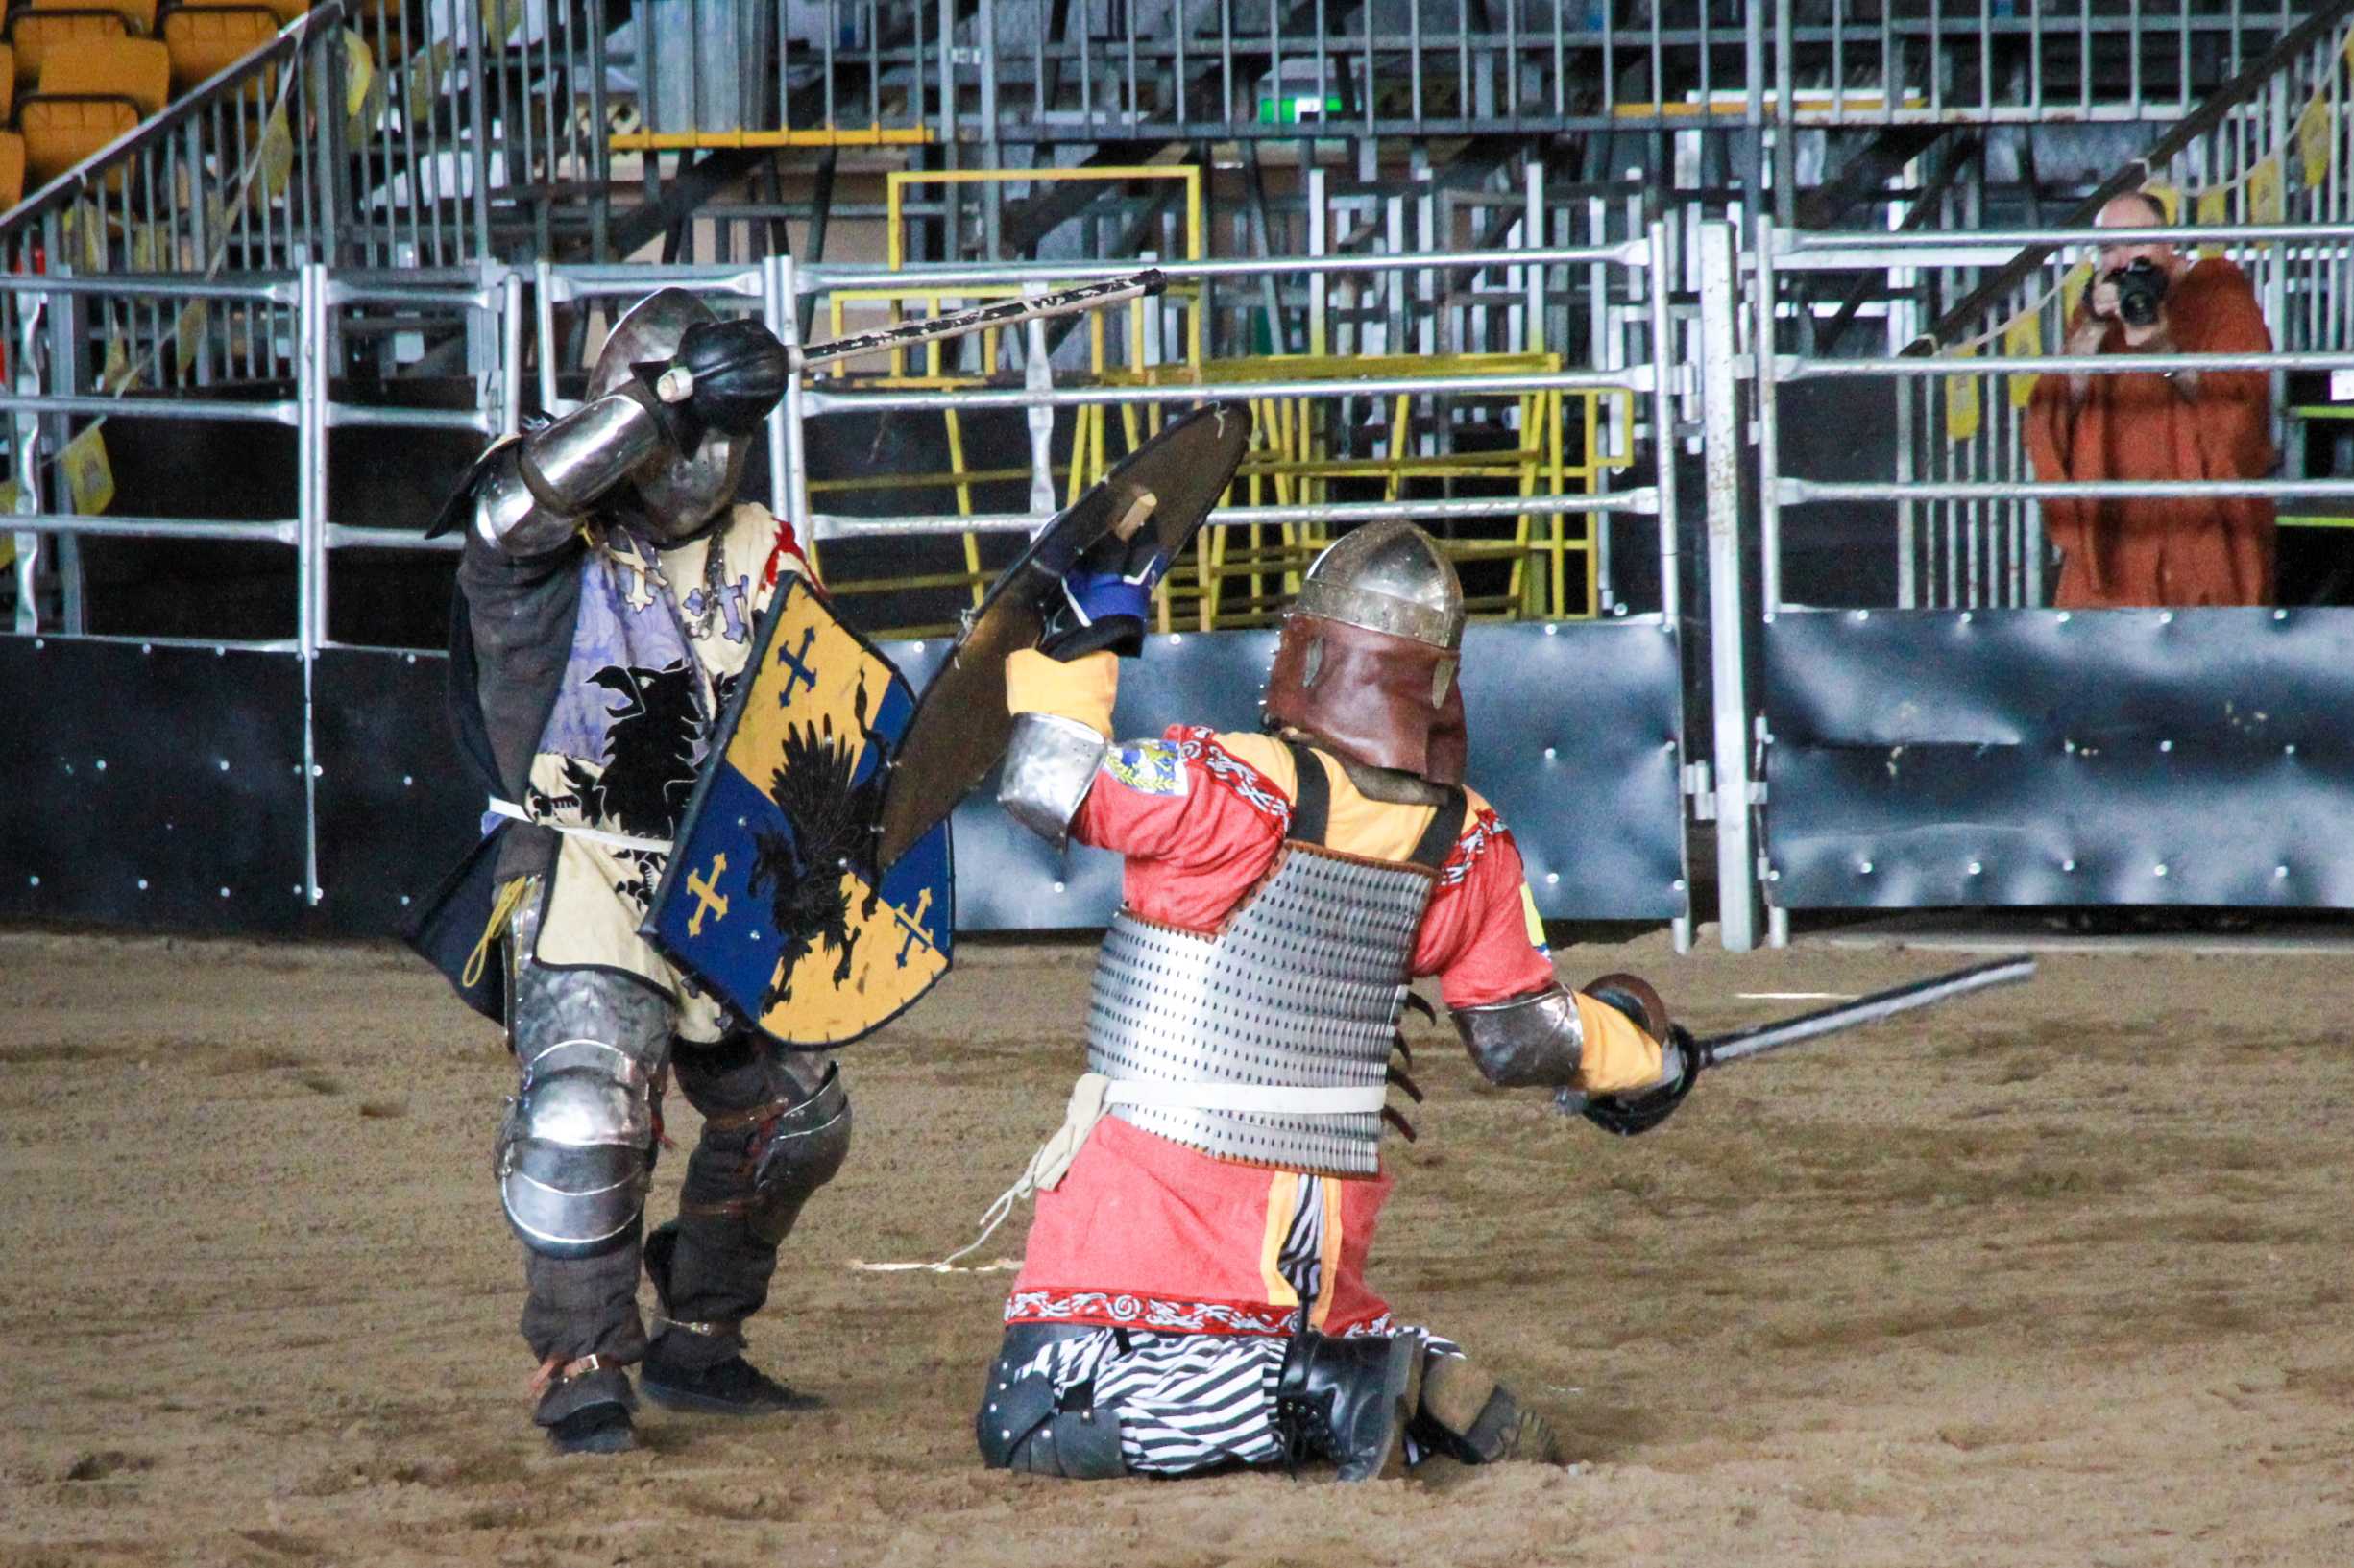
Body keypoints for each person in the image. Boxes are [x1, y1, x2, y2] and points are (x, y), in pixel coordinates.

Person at [967, 519, 1703, 1482]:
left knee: (1028, 1416)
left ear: (1311, 655)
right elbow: (1525, 1035)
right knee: (1316, 1330)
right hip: (1319, 1251)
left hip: (1160, 1230)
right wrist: (1653, 1056)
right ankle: (1411, 1382)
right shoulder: (1469, 840)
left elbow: (1046, 784)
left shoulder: (1237, 787)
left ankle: (1322, 1389)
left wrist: (1080, 640)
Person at [419, 290, 852, 1454]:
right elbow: (518, 508)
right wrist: (661, 398)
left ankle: (700, 1338)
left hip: (723, 875)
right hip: (582, 867)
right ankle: (584, 1362)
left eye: (725, 424)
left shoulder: (765, 549)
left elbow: (813, 720)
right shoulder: (537, 535)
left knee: (795, 1118)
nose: (706, 457)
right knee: (584, 1118)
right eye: (688, 421)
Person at [2024, 190, 2279, 607]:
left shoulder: (2215, 290)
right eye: (2109, 248)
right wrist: (2090, 329)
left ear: (2169, 244)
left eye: (2136, 243)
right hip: (2115, 536)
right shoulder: (2095, 314)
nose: (2123, 262)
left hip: (2201, 531)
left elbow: (2241, 409)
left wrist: (2162, 349)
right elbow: (2051, 420)